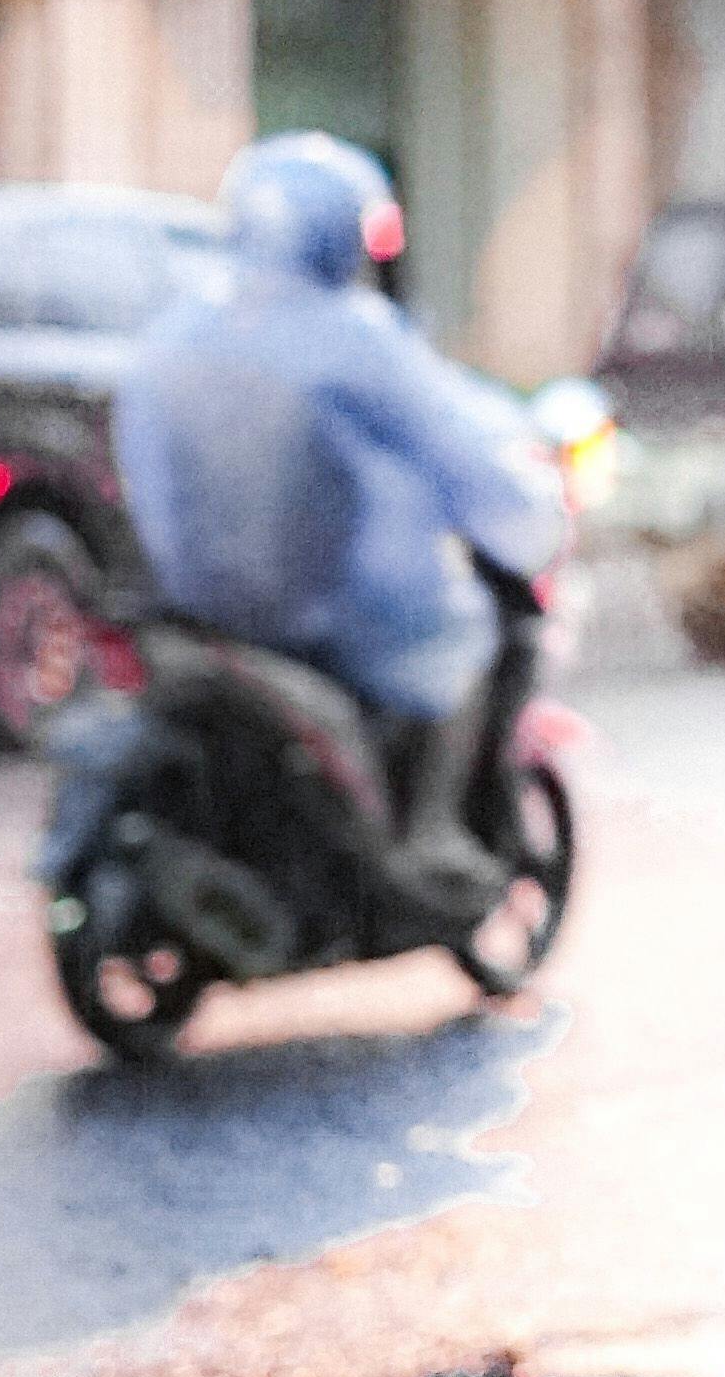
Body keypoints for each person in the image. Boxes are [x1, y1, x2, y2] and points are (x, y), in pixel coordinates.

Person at [114, 132, 562, 918]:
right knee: (465, 639)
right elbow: (461, 457)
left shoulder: (177, 332)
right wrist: (529, 523)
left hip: (194, 609)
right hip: (330, 622)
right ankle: (430, 838)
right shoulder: (353, 336)